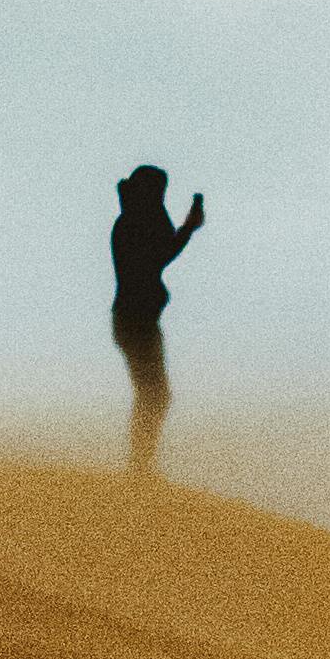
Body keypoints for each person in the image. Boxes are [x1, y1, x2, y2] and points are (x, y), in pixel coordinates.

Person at [109, 163, 204, 476]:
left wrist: (186, 229)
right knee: (154, 394)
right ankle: (140, 467)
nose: (162, 197)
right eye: (158, 191)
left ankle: (142, 464)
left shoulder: (136, 220)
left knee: (153, 394)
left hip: (138, 321)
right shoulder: (130, 224)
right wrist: (187, 229)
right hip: (134, 322)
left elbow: (160, 251)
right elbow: (157, 257)